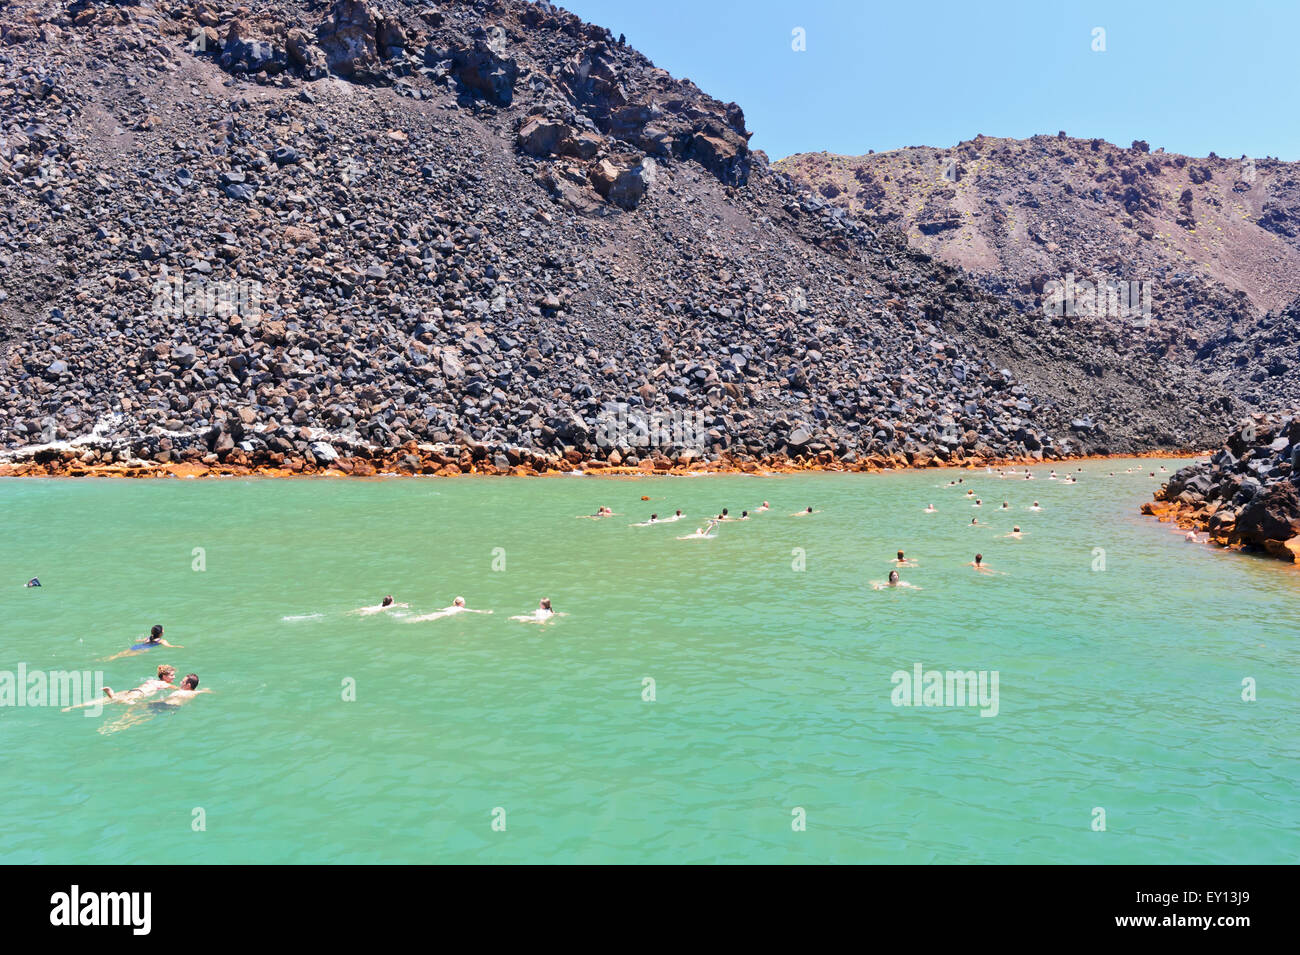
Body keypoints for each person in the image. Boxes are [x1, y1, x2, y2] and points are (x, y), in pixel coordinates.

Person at [107, 625, 182, 660]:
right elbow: (169, 646)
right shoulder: (162, 641)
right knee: (125, 656)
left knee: (121, 654)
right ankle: (112, 658)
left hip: (137, 646)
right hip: (144, 649)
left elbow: (140, 640)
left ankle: (111, 657)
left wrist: (137, 640)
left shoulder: (149, 637)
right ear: (161, 633)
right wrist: (177, 646)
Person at [406, 597, 492, 622]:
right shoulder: (459, 609)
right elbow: (474, 611)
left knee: (426, 617)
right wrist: (486, 612)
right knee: (426, 619)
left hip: (442, 612)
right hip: (444, 614)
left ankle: (413, 619)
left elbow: (440, 609)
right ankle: (412, 620)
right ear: (461, 603)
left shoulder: (451, 607)